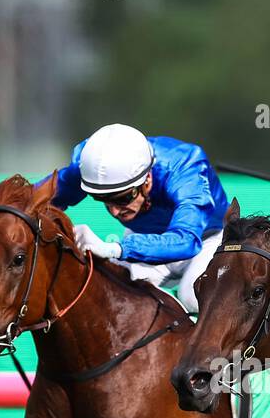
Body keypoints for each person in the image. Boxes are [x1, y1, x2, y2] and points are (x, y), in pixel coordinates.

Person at [43, 124, 230, 313]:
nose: (115, 212)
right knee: (106, 290)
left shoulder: (184, 167)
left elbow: (187, 240)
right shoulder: (89, 166)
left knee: (192, 295)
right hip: (144, 237)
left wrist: (116, 249)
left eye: (123, 198)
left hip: (207, 240)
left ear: (147, 178)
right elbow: (31, 199)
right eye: (103, 200)